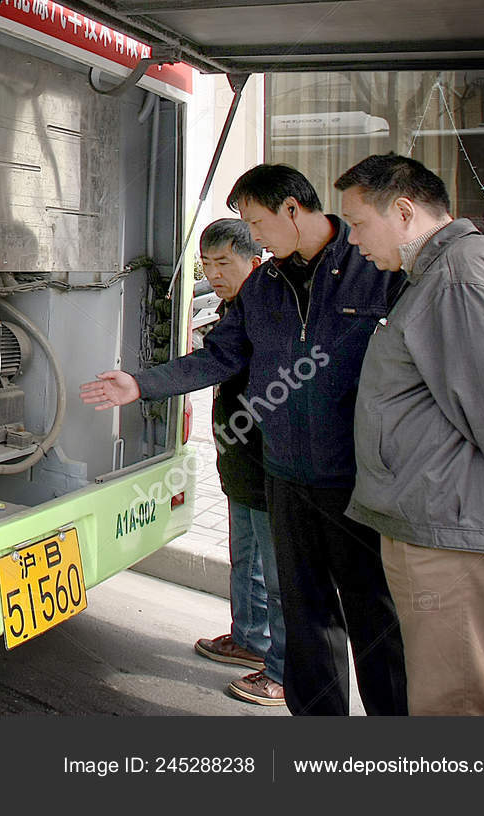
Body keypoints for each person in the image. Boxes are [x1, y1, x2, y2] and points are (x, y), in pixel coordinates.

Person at [82, 164, 408, 716]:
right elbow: (221, 355)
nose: (253, 237)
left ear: (291, 209)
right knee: (306, 618)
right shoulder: (265, 286)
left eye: (256, 223)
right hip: (284, 474)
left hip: (358, 480)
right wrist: (141, 383)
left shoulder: (371, 267)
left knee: (373, 615)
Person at [336, 153, 484, 715]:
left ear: (403, 211)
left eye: (358, 223)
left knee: (462, 709)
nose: (352, 240)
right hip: (445, 526)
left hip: (455, 536)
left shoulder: (460, 277)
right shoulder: (442, 272)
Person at [189, 219, 286, 706]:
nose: (215, 273)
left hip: (271, 466)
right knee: (245, 557)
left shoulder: (270, 310)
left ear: (255, 259)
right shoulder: (231, 307)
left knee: (278, 571)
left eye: (224, 263)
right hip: (240, 464)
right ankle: (249, 640)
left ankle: (285, 670)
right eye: (207, 264)